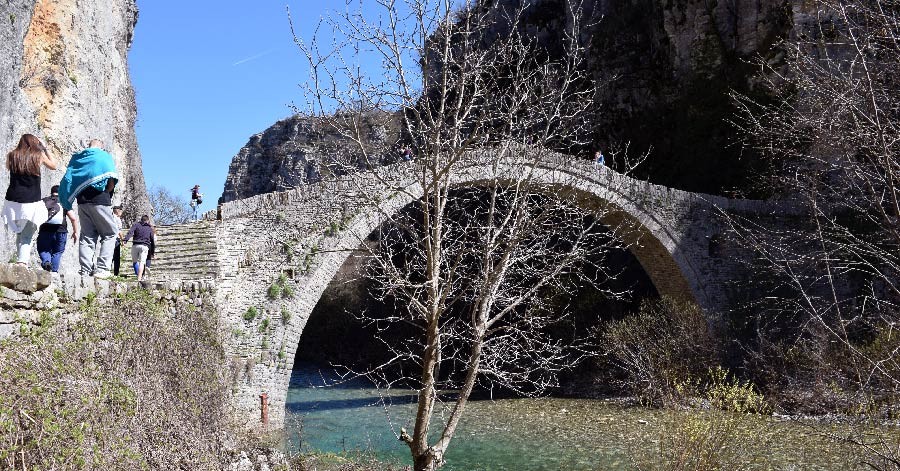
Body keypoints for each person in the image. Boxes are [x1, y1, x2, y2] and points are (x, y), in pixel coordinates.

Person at [58, 139, 119, 278]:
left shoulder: (79, 158)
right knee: (110, 233)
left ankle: (85, 271)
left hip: (82, 201)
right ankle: (102, 269)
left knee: (87, 236)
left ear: (89, 146)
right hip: (100, 199)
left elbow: (68, 178)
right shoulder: (104, 156)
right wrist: (105, 192)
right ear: (101, 147)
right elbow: (111, 182)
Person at [1, 134, 58, 266]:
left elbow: (9, 168)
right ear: (35, 143)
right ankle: (22, 262)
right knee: (27, 233)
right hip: (31, 201)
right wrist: (45, 149)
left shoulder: (12, 155)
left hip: (13, 200)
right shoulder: (38, 156)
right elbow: (54, 166)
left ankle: (20, 259)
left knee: (19, 232)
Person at [36, 185, 79, 272]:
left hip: (45, 230)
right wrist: (75, 232)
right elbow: (73, 218)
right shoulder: (65, 202)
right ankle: (54, 272)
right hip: (61, 231)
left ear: (51, 192)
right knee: (57, 252)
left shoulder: (44, 201)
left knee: (44, 249)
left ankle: (46, 262)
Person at [122, 214, 154, 282]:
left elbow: (130, 232)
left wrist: (125, 240)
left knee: (135, 262)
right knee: (142, 263)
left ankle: (138, 275)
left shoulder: (136, 225)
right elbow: (152, 240)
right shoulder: (150, 228)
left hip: (135, 245)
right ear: (148, 221)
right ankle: (139, 278)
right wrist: (152, 252)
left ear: (141, 219)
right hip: (144, 246)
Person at [111, 205, 124, 276]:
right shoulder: (118, 219)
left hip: (108, 239)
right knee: (116, 258)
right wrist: (123, 241)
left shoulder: (110, 217)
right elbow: (119, 231)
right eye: (121, 212)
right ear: (118, 211)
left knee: (110, 256)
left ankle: (107, 270)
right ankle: (116, 274)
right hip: (116, 239)